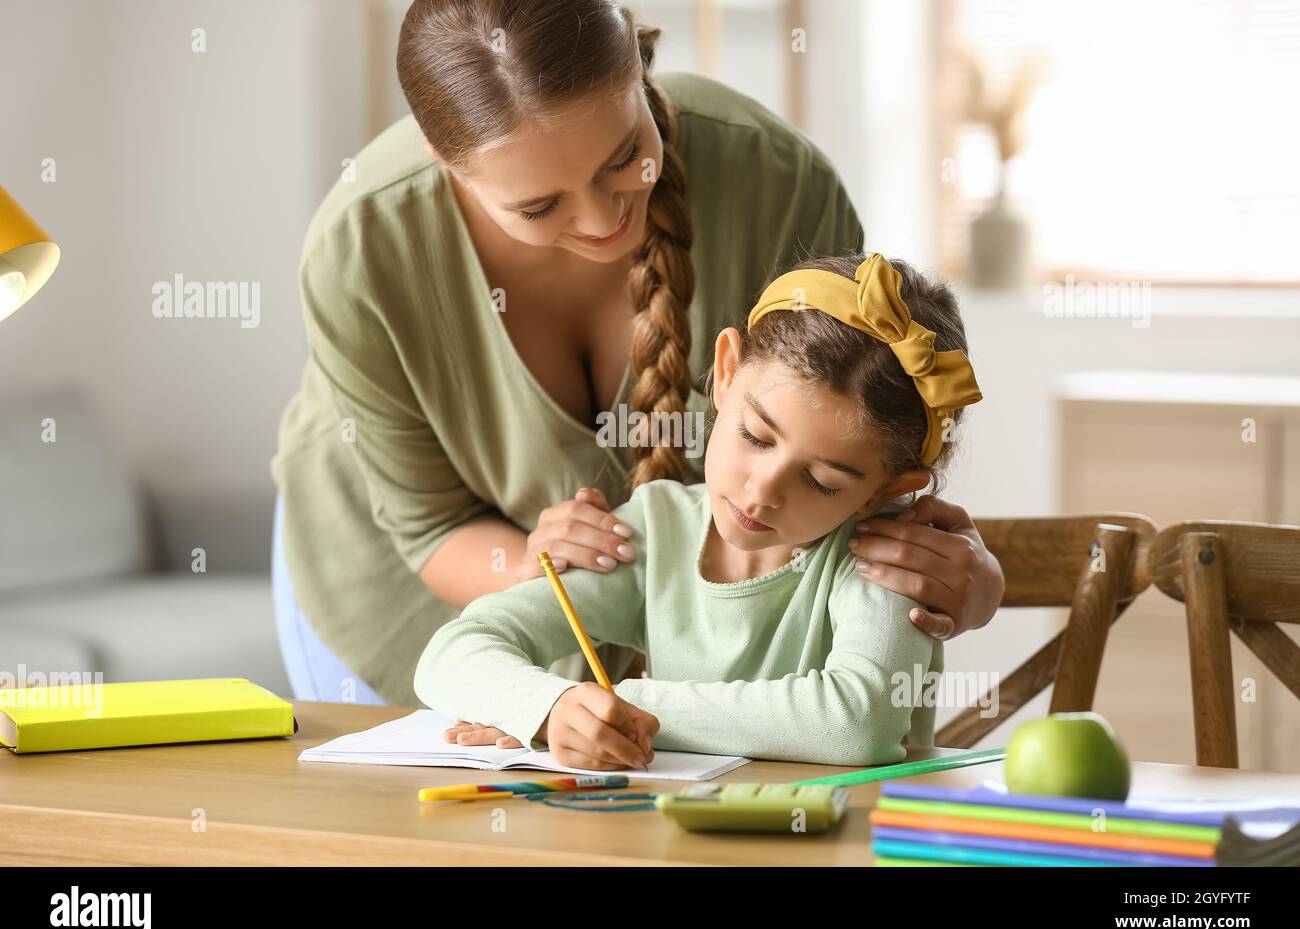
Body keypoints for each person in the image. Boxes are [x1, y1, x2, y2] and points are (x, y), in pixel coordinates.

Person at [270, 0, 1004, 708]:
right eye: (538, 206)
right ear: (443, 160)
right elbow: (430, 528)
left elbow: (853, 449)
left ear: (636, 70)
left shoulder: (778, 184)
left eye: (625, 156)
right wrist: (531, 568)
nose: (602, 220)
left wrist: (962, 579)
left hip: (701, 641)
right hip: (405, 599)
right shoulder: (362, 249)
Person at [417, 252, 980, 768]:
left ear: (886, 489)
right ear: (727, 370)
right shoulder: (657, 528)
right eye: (756, 437)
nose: (761, 492)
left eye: (821, 480)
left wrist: (617, 705)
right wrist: (550, 705)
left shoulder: (894, 557)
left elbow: (857, 724)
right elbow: (452, 653)